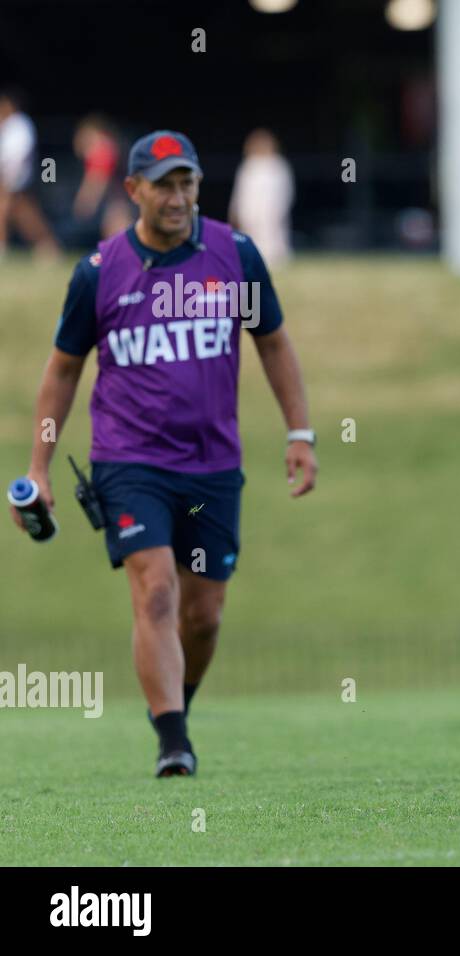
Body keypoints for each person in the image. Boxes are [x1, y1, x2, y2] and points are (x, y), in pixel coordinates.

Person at [7, 131, 318, 777]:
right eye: (164, 184)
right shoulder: (98, 272)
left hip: (212, 466)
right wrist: (38, 467)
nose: (178, 198)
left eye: (188, 184)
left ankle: (173, 705)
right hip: (129, 461)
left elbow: (274, 345)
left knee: (204, 616)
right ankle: (173, 741)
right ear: (134, 190)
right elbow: (63, 372)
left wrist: (299, 433)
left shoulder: (236, 255)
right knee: (155, 590)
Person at [0, 88, 60, 260]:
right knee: (24, 214)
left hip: (16, 176)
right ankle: (47, 247)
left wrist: (8, 176)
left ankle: (5, 247)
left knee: (8, 211)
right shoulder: (7, 125)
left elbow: (18, 153)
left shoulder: (20, 124)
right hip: (9, 175)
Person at [228, 128, 294, 266]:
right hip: (250, 211)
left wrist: (279, 209)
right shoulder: (249, 165)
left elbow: (286, 191)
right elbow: (241, 191)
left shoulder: (277, 165)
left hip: (271, 211)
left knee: (272, 239)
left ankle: (275, 262)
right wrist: (236, 210)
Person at [70, 114, 132, 242]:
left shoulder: (102, 149)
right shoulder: (106, 147)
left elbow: (97, 180)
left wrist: (86, 202)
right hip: (122, 197)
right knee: (113, 228)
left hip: (131, 196)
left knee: (118, 227)